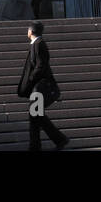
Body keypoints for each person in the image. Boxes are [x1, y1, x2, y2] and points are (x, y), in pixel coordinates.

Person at [17, 21, 68, 150]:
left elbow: (41, 66)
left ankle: (59, 139)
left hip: (40, 87)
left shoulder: (39, 44)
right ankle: (37, 146)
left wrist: (31, 79)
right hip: (37, 87)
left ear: (31, 31)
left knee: (36, 114)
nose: (27, 31)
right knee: (35, 116)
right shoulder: (36, 44)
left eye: (28, 29)